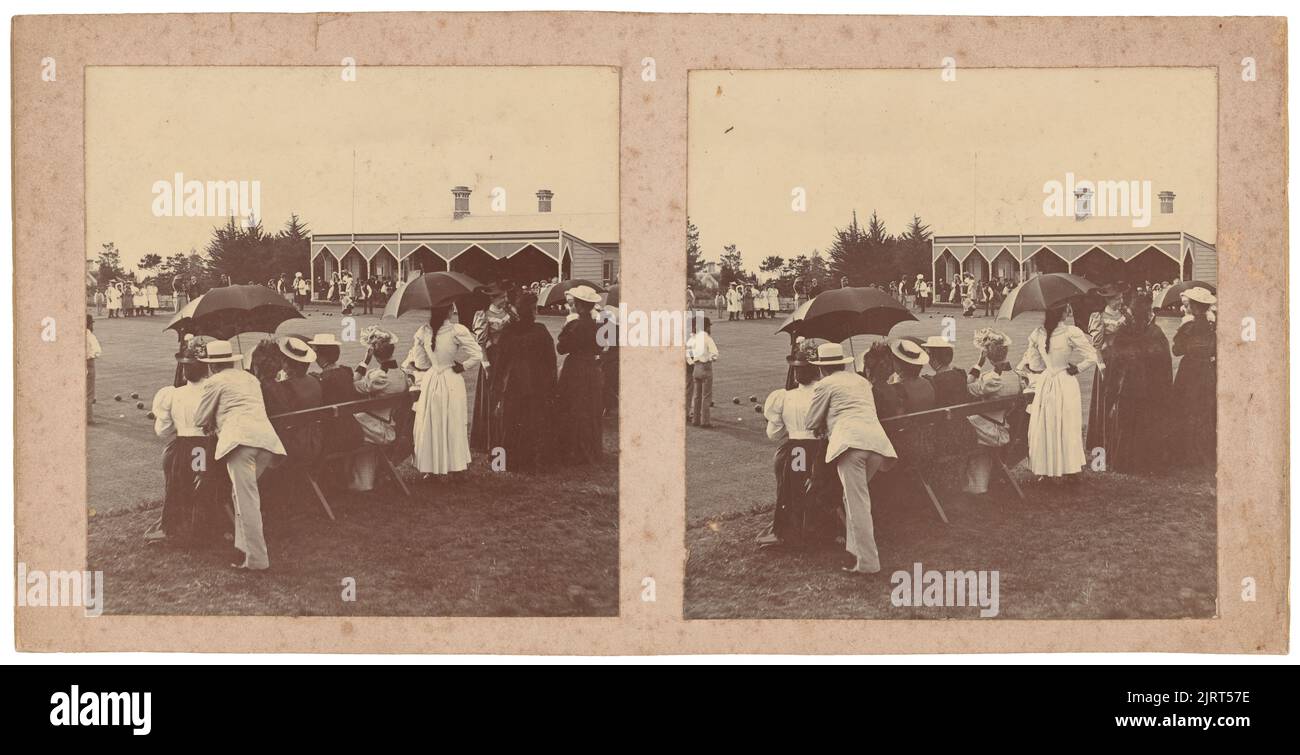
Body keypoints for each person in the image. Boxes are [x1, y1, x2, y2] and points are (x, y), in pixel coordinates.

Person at [804, 343, 897, 574]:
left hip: (851, 446)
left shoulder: (825, 384)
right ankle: (855, 551)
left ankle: (868, 563)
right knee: (852, 499)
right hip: (876, 444)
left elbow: (810, 422)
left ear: (823, 369)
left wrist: (826, 422)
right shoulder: (861, 381)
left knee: (857, 503)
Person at [193, 340, 286, 571]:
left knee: (247, 500)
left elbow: (199, 418)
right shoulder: (249, 377)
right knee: (242, 496)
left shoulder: (214, 381)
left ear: (212, 366)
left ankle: (257, 561)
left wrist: (213, 423)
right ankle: (244, 548)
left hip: (240, 443)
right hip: (266, 441)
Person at [1016, 300, 1099, 482]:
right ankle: (1069, 470)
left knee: (1046, 424)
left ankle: (1046, 470)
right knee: (1067, 425)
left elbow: (1036, 365)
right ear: (1062, 313)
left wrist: (1038, 351)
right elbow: (1092, 356)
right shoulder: (1071, 332)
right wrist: (1077, 368)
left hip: (1047, 381)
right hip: (1065, 381)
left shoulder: (1038, 333)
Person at [756, 352, 827, 547]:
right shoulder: (825, 392)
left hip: (798, 448)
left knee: (794, 489)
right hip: (822, 447)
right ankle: (818, 529)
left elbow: (774, 434)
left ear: (797, 374)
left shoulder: (785, 397)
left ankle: (793, 532)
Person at [1102, 293, 1173, 473]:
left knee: (1128, 425)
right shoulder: (1155, 333)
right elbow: (1165, 364)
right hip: (1149, 389)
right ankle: (1147, 462)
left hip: (1129, 387)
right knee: (1146, 424)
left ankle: (1125, 462)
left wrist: (1111, 389)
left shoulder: (1125, 333)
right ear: (1148, 313)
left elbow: (1115, 363)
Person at [412, 302, 483, 480]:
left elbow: (420, 363)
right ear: (450, 311)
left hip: (432, 378)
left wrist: (434, 363)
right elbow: (477, 354)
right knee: (453, 422)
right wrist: (463, 366)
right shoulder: (456, 330)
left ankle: (432, 467)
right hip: (451, 378)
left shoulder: (423, 331)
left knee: (431, 422)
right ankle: (456, 467)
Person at [490, 293, 557, 472]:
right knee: (529, 421)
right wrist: (551, 383)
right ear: (530, 310)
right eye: (534, 308)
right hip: (534, 381)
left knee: (511, 421)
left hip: (514, 381)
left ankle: (506, 461)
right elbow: (550, 361)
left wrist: (497, 385)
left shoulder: (509, 332)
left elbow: (500, 362)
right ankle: (527, 461)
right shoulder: (539, 331)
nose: (535, 312)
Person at [963, 329, 1023, 495]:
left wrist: (979, 363)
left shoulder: (991, 379)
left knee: (956, 423)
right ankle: (978, 482)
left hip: (986, 430)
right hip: (1001, 425)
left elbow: (967, 386)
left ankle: (974, 483)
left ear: (988, 356)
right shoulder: (1016, 377)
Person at [347, 328, 408, 490]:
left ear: (375, 354)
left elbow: (352, 385)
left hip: (375, 428)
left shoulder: (379, 376)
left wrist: (365, 361)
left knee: (339, 425)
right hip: (387, 424)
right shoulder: (402, 374)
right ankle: (362, 481)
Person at [555, 285, 605, 463]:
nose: (572, 306)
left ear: (580, 305)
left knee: (574, 406)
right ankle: (590, 448)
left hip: (576, 368)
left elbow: (561, 348)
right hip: (592, 367)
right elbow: (601, 347)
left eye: (574, 303)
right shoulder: (598, 325)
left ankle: (574, 450)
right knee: (590, 408)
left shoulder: (574, 325)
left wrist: (566, 328)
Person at [1171, 287, 1216, 466]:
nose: (1186, 307)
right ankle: (1205, 453)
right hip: (1207, 370)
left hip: (1190, 371)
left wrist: (1179, 332)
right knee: (1205, 411)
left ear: (1195, 307)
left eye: (1189, 304)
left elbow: (1177, 350)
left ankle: (1187, 454)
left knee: (1187, 409)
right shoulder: (1212, 325)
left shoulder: (1188, 326)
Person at [1084, 284, 1129, 458]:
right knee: (1105, 402)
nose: (1121, 301)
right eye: (1117, 298)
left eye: (1121, 298)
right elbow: (1096, 346)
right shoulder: (1099, 317)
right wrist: (1101, 365)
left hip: (1123, 362)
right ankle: (1101, 449)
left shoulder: (1125, 315)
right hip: (1108, 363)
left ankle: (1118, 446)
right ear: (1109, 300)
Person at [470, 281, 515, 454]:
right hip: (493, 361)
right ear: (493, 299)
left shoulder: (509, 312)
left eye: (506, 296)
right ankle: (487, 439)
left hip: (508, 359)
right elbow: (480, 344)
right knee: (492, 398)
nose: (505, 299)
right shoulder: (484, 315)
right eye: (502, 297)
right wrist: (487, 365)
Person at [308, 333, 365, 453]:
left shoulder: (322, 380)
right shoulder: (346, 371)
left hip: (333, 436)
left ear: (320, 355)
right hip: (353, 430)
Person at [686, 316, 718, 427]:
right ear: (707, 327)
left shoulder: (693, 338)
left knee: (697, 396)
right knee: (706, 396)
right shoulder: (708, 338)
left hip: (696, 368)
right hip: (706, 367)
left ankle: (695, 420)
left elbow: (688, 354)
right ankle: (705, 422)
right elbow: (715, 355)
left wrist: (693, 361)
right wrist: (709, 358)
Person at [922, 336, 967, 407]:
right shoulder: (961, 374)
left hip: (943, 417)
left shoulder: (933, 382)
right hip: (961, 416)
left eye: (929, 355)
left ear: (933, 358)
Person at [85, 315, 101, 424]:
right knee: (89, 391)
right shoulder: (89, 335)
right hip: (88, 362)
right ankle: (88, 418)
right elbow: (97, 351)